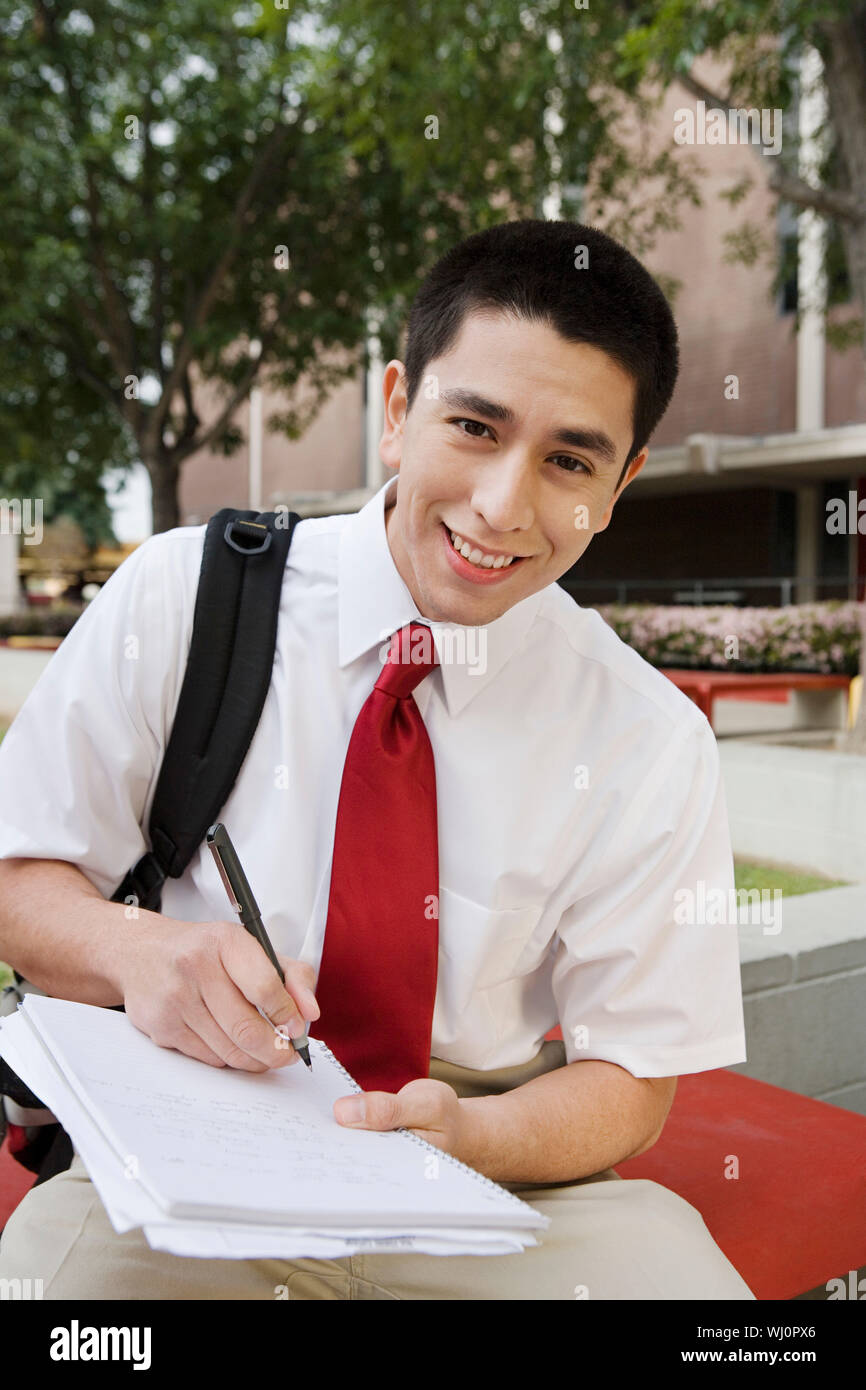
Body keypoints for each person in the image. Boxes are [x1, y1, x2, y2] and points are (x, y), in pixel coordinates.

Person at [0, 218, 754, 1300]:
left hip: (490, 1165)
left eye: (568, 460)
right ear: (396, 411)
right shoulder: (180, 594)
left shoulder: (646, 732)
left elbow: (630, 1077)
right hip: (196, 1133)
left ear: (620, 482)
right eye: (473, 427)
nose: (502, 505)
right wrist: (137, 955)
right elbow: (17, 877)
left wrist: (466, 1134)